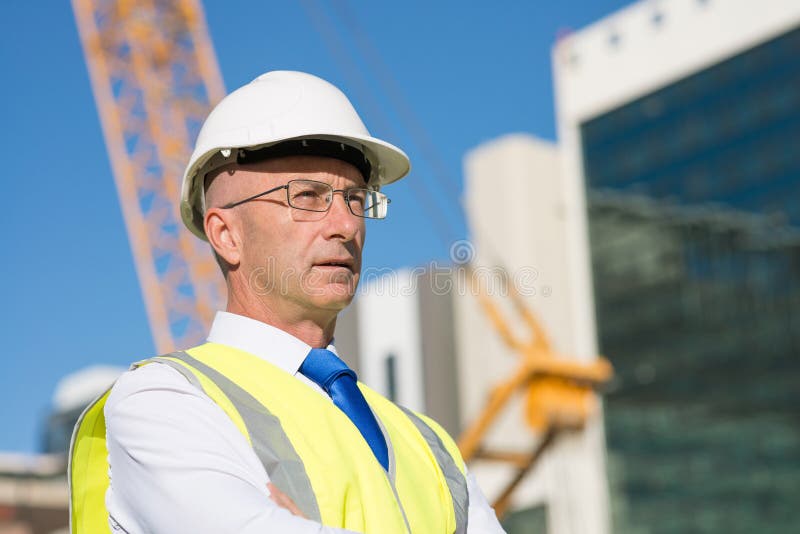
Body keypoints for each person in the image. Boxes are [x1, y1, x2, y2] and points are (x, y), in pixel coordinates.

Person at [70, 70, 505, 533]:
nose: (346, 225)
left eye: (356, 199)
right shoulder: (162, 402)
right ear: (225, 234)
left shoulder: (429, 445)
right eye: (307, 197)